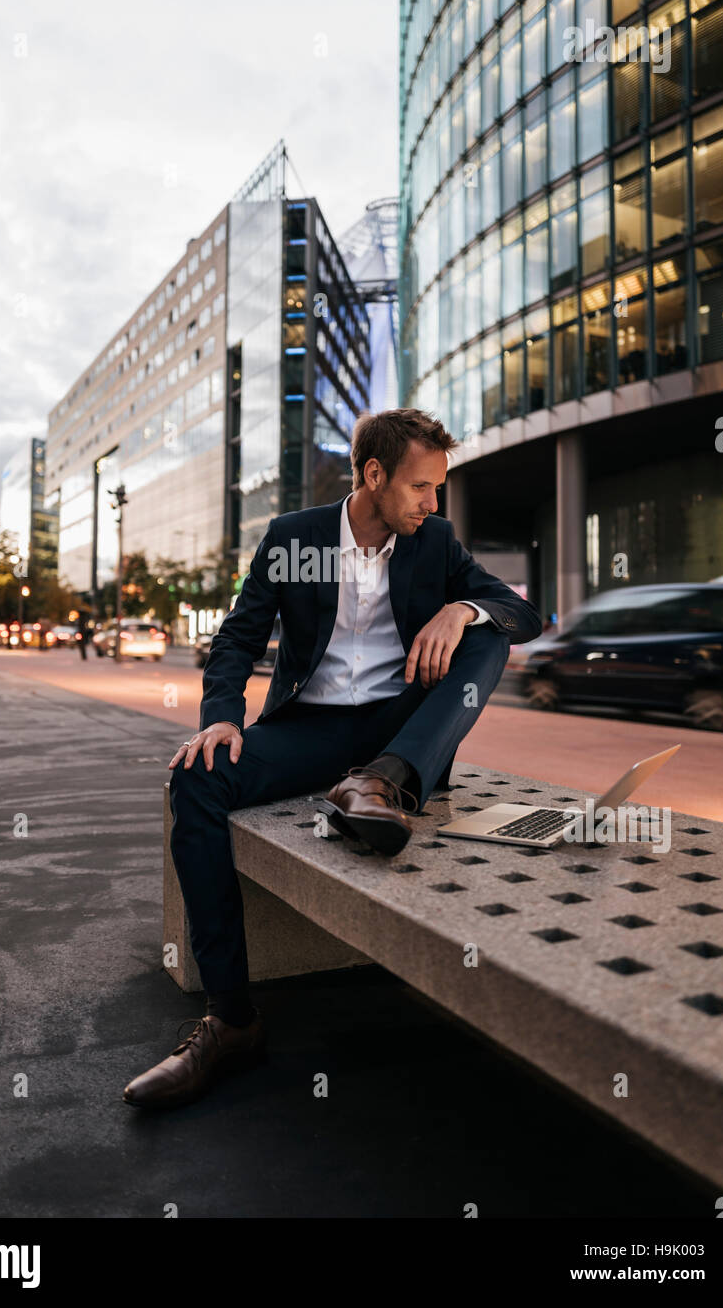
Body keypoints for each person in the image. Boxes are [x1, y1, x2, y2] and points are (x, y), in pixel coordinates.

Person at [123, 408, 542, 1110]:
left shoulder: (434, 540)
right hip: (308, 729)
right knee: (194, 777)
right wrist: (222, 719)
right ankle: (231, 1022)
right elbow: (236, 639)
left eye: (438, 488)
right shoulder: (294, 538)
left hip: (398, 732)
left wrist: (460, 609)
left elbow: (526, 615)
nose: (432, 503)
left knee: (489, 635)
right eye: (419, 486)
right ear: (373, 475)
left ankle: (383, 782)